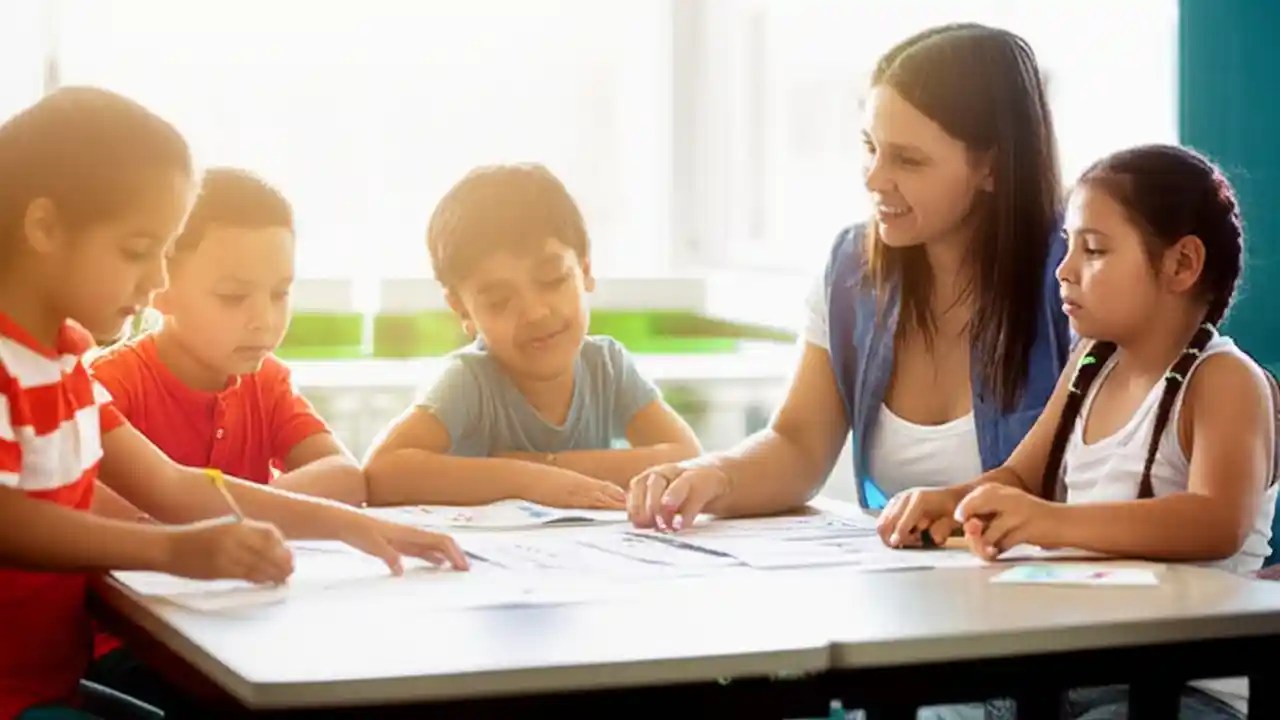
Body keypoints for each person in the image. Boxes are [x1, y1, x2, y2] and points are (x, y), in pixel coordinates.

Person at [0, 87, 466, 720]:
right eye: (138, 252)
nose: (158, 281)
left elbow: (173, 484)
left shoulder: (64, 367)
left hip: (49, 686)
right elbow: (9, 522)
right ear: (45, 227)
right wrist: (174, 550)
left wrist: (352, 524)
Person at [883, 144, 1277, 720]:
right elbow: (1022, 475)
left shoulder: (1222, 379)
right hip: (1081, 667)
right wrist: (953, 502)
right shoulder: (1091, 365)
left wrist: (1049, 521)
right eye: (1070, 245)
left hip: (1189, 688)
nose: (1065, 269)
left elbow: (1216, 521)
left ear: (1180, 265)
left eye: (1093, 249)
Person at [364, 163, 702, 508]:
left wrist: (549, 466)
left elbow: (687, 457)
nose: (536, 313)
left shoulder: (606, 367)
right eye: (499, 301)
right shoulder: (469, 381)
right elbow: (381, 473)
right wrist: (525, 480)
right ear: (463, 311)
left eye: (553, 280)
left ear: (585, 272)